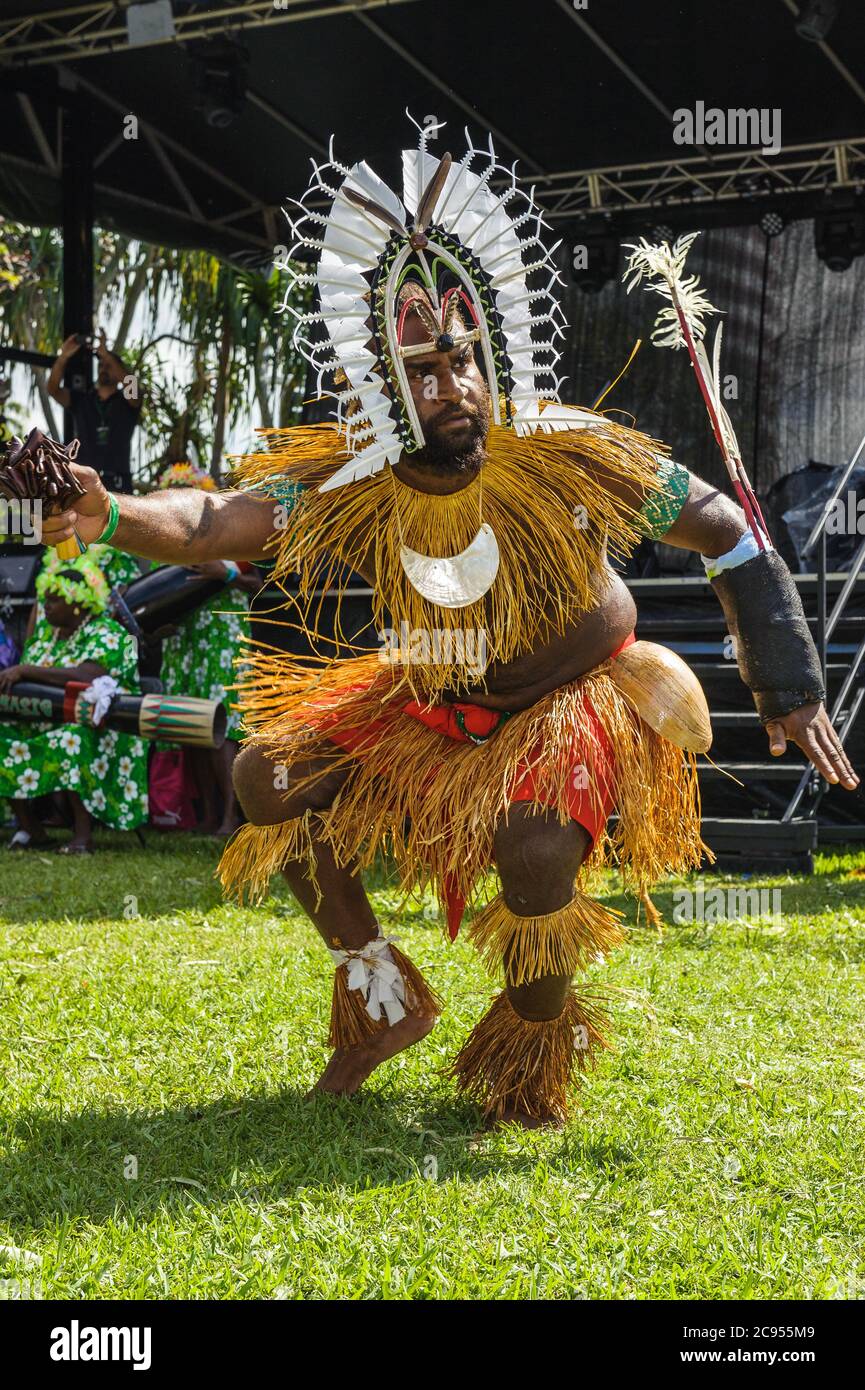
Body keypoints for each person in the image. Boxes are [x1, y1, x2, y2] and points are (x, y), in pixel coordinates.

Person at [37, 124, 858, 1127]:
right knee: (267, 776)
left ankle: (527, 1055)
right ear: (380, 377)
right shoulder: (357, 471)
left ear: (492, 349)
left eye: (463, 359)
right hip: (430, 690)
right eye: (422, 369)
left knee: (537, 852)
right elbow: (215, 520)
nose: (452, 386)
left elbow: (725, 531)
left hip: (569, 696)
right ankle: (378, 994)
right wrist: (107, 511)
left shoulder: (567, 449)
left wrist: (785, 675)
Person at [0, 559, 148, 852]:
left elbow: (88, 675)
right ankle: (32, 830)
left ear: (78, 603)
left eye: (55, 601)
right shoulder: (45, 638)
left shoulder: (107, 632)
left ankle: (83, 836)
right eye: (46, 600)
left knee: (70, 739)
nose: (47, 607)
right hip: (44, 721)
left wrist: (27, 670)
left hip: (105, 730)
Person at [154, 461, 262, 836]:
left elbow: (260, 586)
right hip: (186, 639)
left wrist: (226, 573)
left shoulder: (240, 532)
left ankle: (233, 817)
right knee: (193, 726)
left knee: (224, 727)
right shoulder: (168, 536)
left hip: (223, 636)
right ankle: (207, 813)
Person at [47, 329, 141, 494]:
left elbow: (132, 383)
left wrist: (106, 354)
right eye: (101, 365)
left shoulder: (128, 401)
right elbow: (53, 389)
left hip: (119, 487)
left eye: (109, 365)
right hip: (85, 484)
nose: (103, 368)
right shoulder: (83, 399)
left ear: (119, 371)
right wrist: (64, 356)